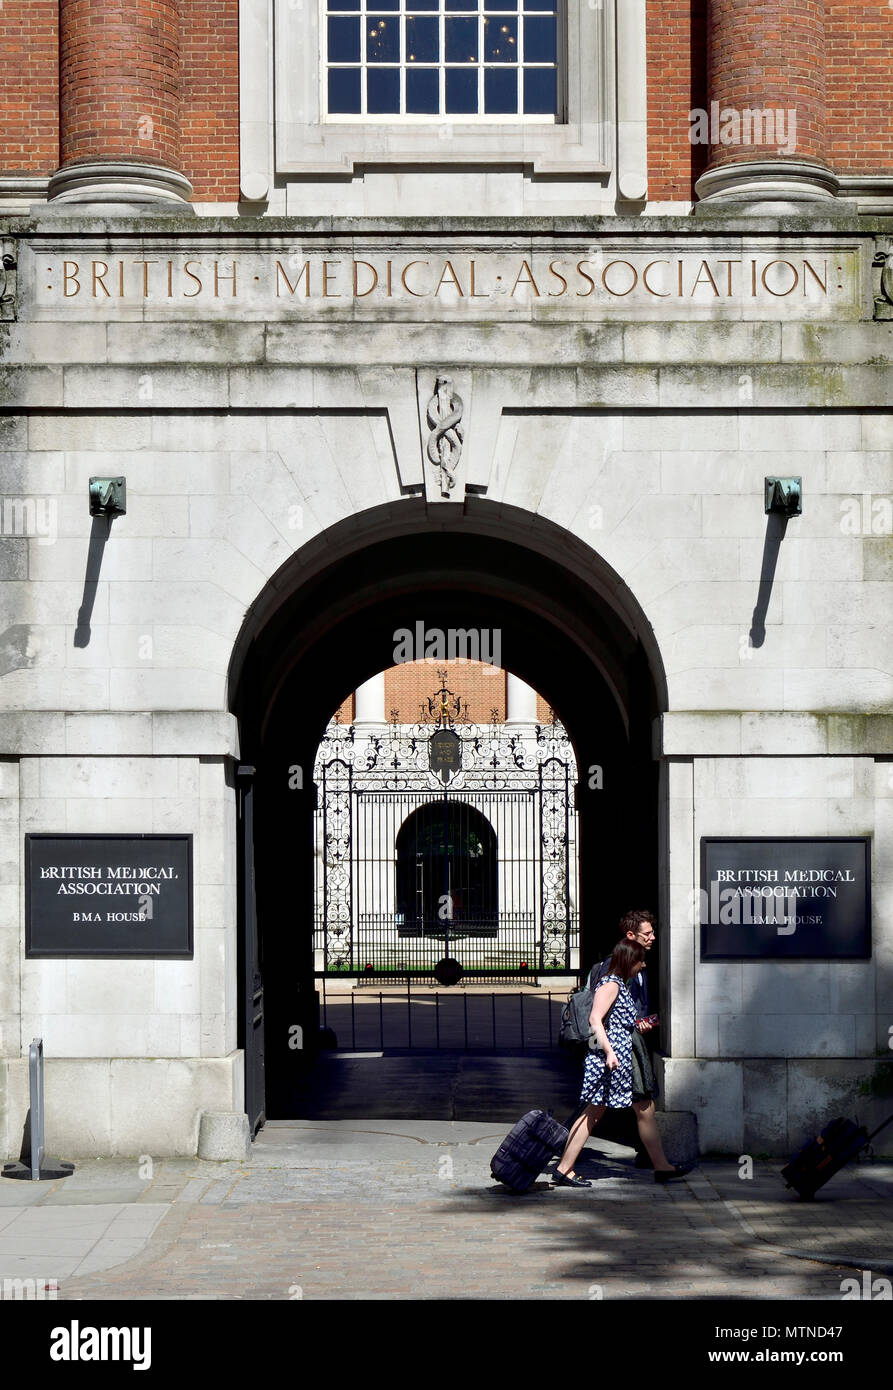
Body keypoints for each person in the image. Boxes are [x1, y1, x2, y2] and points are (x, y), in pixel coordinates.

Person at [553, 938, 693, 1187]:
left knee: (636, 1109)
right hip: (610, 1060)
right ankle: (564, 1168)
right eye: (640, 960)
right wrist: (609, 1052)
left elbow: (617, 1022)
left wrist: (639, 1026)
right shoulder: (610, 985)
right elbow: (595, 1020)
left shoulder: (617, 983)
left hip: (619, 1057)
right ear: (630, 960)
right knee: (592, 1113)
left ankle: (662, 1166)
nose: (644, 965)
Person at [591, 908, 659, 1168]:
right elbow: (599, 1016)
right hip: (618, 1047)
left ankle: (653, 1159)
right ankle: (658, 1162)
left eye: (653, 933)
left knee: (640, 1104)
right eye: (647, 933)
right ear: (631, 935)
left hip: (630, 1044)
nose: (652, 937)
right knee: (596, 1110)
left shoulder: (640, 966)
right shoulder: (616, 969)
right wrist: (610, 1049)